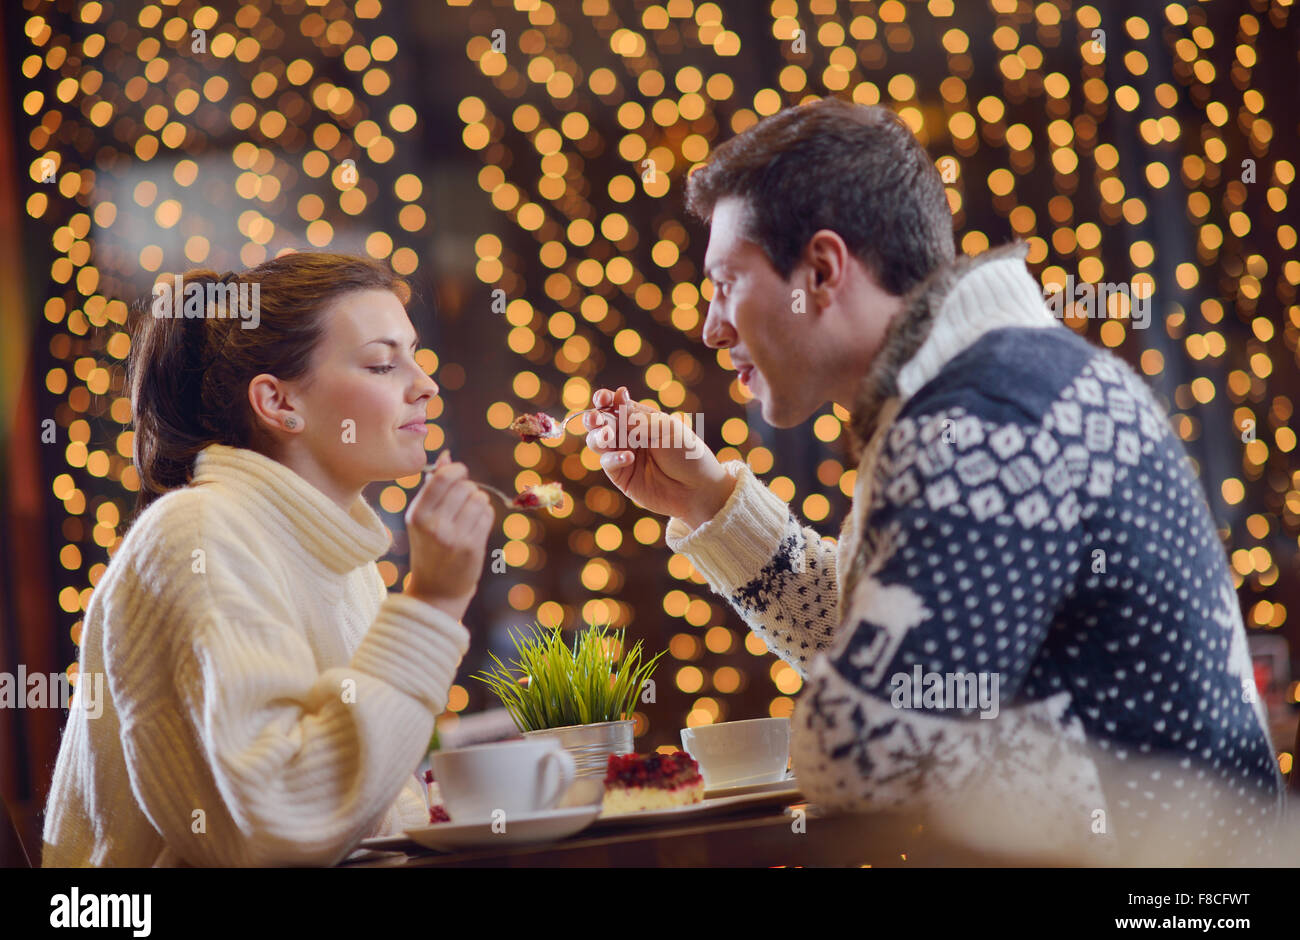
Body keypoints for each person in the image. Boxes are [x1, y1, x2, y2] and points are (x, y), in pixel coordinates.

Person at [584, 98, 1284, 864]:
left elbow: (862, 753)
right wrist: (708, 499)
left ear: (820, 271)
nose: (712, 326)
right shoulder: (990, 383)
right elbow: (911, 655)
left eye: (724, 283)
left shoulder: (982, 421)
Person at [41, 253, 493, 866]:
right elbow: (281, 824)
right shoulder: (197, 536)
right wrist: (433, 605)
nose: (425, 384)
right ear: (279, 404)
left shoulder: (345, 559)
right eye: (383, 363)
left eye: (412, 354)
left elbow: (360, 810)